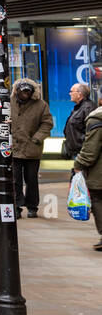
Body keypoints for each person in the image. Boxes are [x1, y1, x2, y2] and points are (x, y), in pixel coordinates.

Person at [9, 78, 53, 219]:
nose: (25, 94)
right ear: (17, 91)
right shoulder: (10, 103)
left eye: (28, 91)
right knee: (15, 179)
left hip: (32, 148)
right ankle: (16, 206)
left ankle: (32, 207)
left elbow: (47, 124)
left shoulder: (41, 105)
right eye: (23, 91)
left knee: (31, 179)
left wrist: (36, 139)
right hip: (14, 148)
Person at [71, 101, 102, 250]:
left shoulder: (97, 119)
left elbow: (90, 151)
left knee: (97, 199)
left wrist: (78, 165)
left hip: (99, 172)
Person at [62, 83, 95, 167]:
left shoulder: (88, 108)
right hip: (77, 152)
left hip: (82, 153)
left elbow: (90, 132)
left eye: (71, 91)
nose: (70, 93)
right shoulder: (78, 108)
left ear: (79, 94)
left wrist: (83, 149)